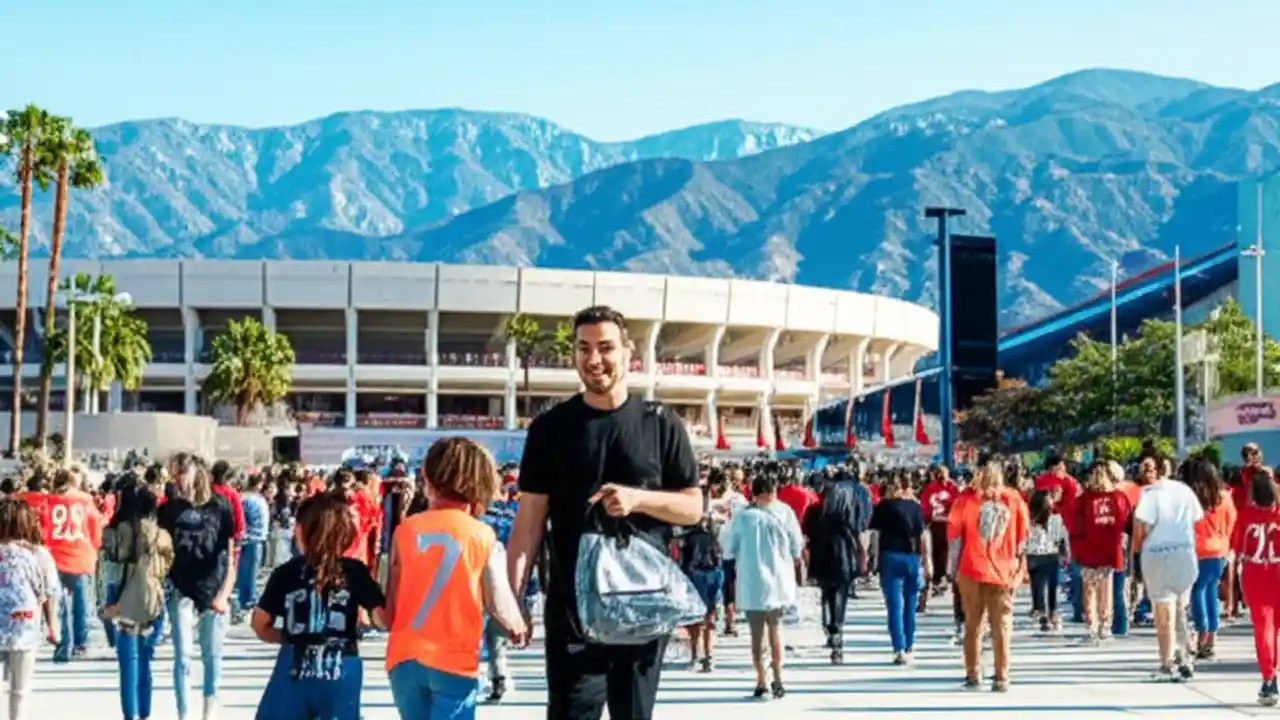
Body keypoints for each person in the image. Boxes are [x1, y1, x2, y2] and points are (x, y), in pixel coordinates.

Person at [506, 305, 702, 720]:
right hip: (571, 608)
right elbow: (528, 524)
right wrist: (513, 597)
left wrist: (638, 499)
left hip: (642, 604)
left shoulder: (661, 424)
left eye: (605, 348)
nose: (594, 359)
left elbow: (692, 508)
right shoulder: (550, 428)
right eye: (584, 348)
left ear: (628, 351)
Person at [385, 437, 526, 720]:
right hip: (453, 657)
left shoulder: (406, 531)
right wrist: (516, 624)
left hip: (404, 655)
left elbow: (391, 601)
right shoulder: (481, 535)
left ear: (428, 478)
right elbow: (497, 596)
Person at [252, 492, 386, 720]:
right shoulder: (355, 572)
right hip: (341, 666)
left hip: (294, 665)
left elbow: (259, 624)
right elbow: (382, 618)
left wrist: (289, 637)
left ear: (301, 531)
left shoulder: (285, 573)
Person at [159, 453, 237, 720]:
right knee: (182, 656)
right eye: (174, 473)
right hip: (180, 587)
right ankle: (183, 713)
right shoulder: (170, 509)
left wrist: (225, 594)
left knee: (212, 655)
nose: (178, 478)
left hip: (213, 587)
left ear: (195, 472)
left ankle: (209, 710)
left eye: (181, 472)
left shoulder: (220, 506)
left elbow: (230, 555)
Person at [722, 472, 804, 700]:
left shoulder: (742, 517)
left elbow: (729, 548)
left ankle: (761, 681)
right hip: (778, 580)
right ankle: (778, 678)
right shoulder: (784, 512)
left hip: (752, 581)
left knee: (757, 635)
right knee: (776, 630)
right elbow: (796, 544)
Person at [947, 461, 1028, 692]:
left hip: (972, 568)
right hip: (1003, 571)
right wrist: (1019, 565)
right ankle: (1001, 676)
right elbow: (1023, 538)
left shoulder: (965, 500)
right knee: (1002, 624)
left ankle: (973, 673)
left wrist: (951, 569)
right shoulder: (1014, 499)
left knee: (973, 623)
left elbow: (954, 537)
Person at [102, 473, 173, 720]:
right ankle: (145, 711)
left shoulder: (121, 530)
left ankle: (130, 714)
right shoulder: (162, 535)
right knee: (145, 658)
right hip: (153, 598)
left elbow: (109, 560)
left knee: (128, 663)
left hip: (126, 597)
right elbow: (168, 565)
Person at [1132, 450, 1202, 682]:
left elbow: (1142, 528)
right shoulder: (1185, 491)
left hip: (1158, 552)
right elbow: (1196, 518)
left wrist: (1136, 553)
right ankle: (1185, 655)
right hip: (1184, 551)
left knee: (1163, 611)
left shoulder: (1149, 494)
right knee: (1182, 605)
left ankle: (1166, 662)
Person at [0, 498, 60, 720]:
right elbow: (50, 592)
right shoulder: (39, 554)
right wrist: (53, 626)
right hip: (24, 624)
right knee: (20, 691)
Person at [44, 467, 104, 663]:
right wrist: (94, 550)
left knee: (59, 604)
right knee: (80, 604)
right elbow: (95, 528)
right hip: (79, 556)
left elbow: (43, 527)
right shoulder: (85, 500)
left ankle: (64, 645)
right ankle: (80, 644)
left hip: (54, 557)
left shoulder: (50, 501)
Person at [1232, 465, 1280, 706]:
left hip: (1257, 575)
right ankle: (1272, 672)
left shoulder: (1246, 515)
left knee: (1264, 630)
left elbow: (1237, 550)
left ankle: (1269, 678)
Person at [869, 472, 928, 665]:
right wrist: (926, 562)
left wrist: (873, 561)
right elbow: (922, 536)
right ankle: (910, 643)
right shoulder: (915, 508)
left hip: (890, 556)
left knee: (894, 605)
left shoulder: (883, 507)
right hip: (911, 557)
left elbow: (875, 536)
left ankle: (899, 648)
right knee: (910, 604)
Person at [802, 474, 862, 664]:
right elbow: (854, 538)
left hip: (821, 559)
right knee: (839, 597)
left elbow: (806, 536)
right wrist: (861, 558)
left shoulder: (813, 512)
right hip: (842, 559)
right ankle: (837, 630)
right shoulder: (843, 516)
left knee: (826, 595)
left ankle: (830, 628)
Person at [1071, 460, 1131, 644]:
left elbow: (1076, 526)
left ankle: (1092, 626)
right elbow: (1126, 521)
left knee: (1089, 589)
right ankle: (1105, 625)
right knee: (1106, 588)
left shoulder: (1083, 500)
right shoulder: (1119, 498)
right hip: (1110, 548)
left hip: (1088, 548)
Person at [1188, 457, 1235, 661]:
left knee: (1197, 591)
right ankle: (1211, 638)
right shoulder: (1224, 497)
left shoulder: (1192, 498)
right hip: (1219, 550)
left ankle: (1202, 633)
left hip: (1196, 550)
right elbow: (1231, 521)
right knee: (1211, 593)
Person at [678, 478, 724, 673]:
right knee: (709, 616)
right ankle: (707, 655)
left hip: (694, 572)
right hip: (713, 571)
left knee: (696, 617)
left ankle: (698, 654)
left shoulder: (686, 525)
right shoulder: (716, 523)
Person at [1024, 489, 1068, 633]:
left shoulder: (1029, 520)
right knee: (1051, 586)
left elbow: (1025, 539)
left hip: (1034, 555)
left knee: (1038, 586)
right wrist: (1064, 553)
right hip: (1050, 555)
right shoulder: (1056, 519)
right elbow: (1062, 538)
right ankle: (1052, 612)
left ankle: (1041, 611)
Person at [234, 475, 271, 624]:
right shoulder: (251, 500)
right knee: (248, 574)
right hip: (252, 540)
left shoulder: (246, 498)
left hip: (252, 539)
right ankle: (246, 602)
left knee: (247, 574)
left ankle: (246, 601)